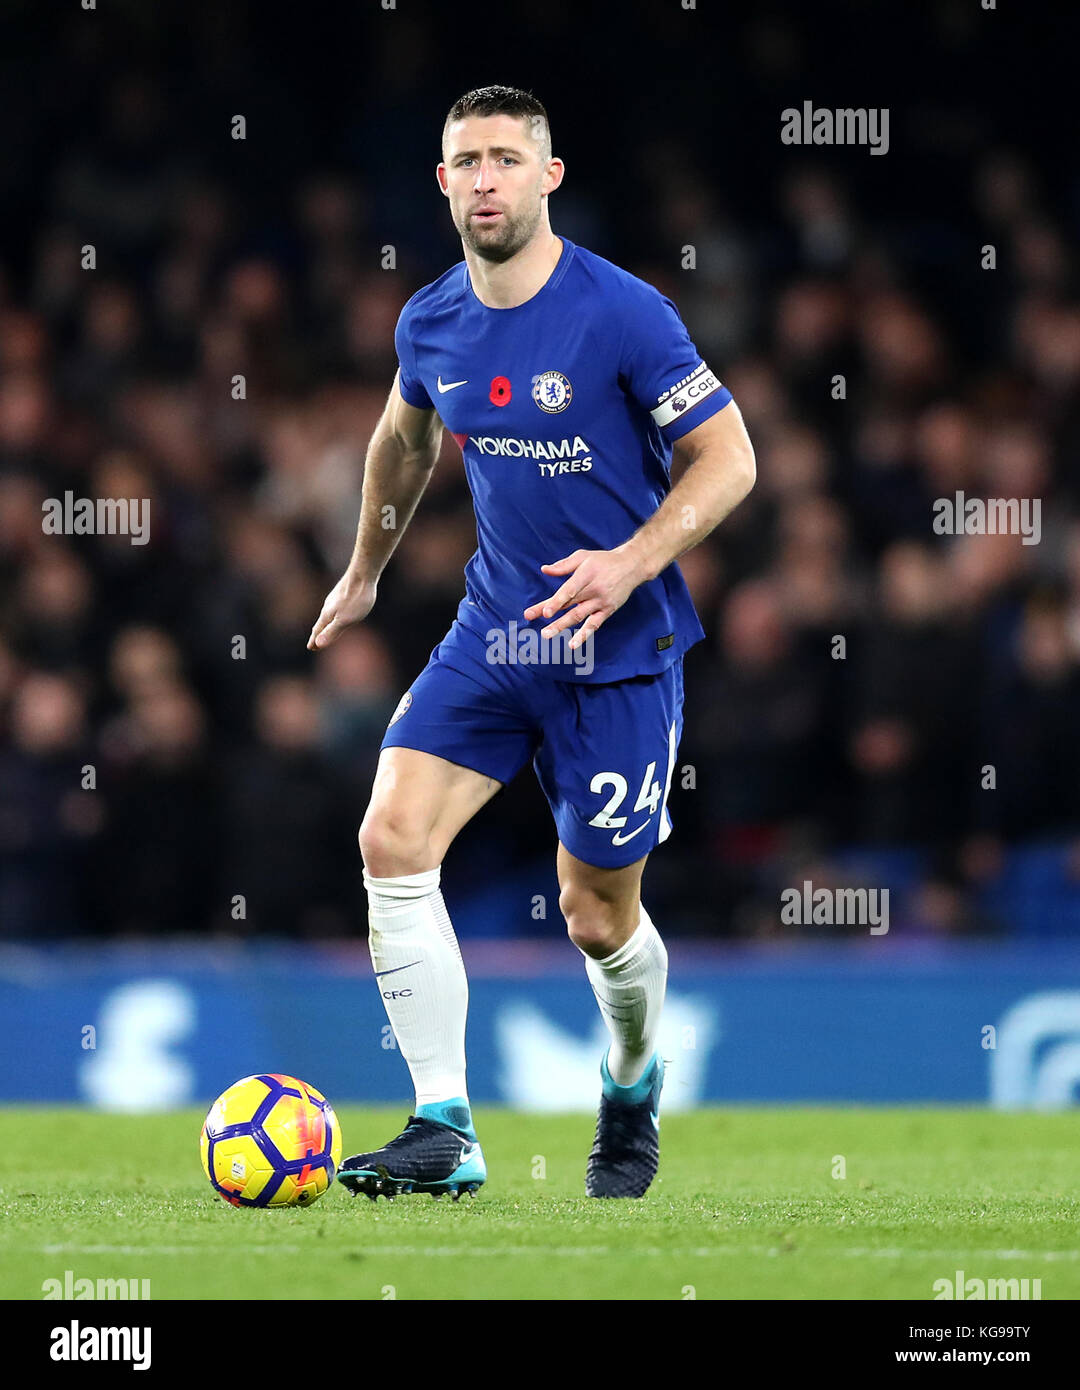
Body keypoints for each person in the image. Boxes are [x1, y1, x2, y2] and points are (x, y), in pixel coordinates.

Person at [308, 85, 756, 1199]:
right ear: (444, 182)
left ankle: (634, 1073)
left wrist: (631, 561)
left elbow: (731, 458)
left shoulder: (624, 311)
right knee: (392, 837)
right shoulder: (431, 319)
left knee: (596, 915)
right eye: (467, 161)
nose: (487, 178)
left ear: (549, 176)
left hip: (619, 652)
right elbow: (404, 443)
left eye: (508, 158)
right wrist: (365, 568)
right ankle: (444, 1129)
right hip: (496, 633)